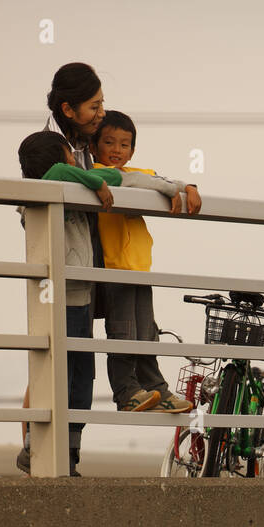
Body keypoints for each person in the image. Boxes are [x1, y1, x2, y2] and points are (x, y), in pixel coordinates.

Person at [19, 63, 106, 455]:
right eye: (94, 105)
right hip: (58, 266)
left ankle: (65, 450)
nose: (101, 112)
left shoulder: (88, 145)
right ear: (68, 109)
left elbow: (119, 174)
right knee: (53, 358)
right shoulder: (49, 146)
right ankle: (35, 448)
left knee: (75, 363)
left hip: (83, 266)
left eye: (103, 103)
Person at [91, 110, 202, 412]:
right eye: (109, 142)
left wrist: (187, 187)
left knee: (146, 332)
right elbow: (137, 182)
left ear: (133, 150)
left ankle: (155, 389)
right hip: (115, 270)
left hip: (139, 269)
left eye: (124, 145)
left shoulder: (139, 173)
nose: (116, 150)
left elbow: (154, 179)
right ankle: (127, 392)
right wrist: (174, 186)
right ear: (93, 146)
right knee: (124, 332)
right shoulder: (99, 174)